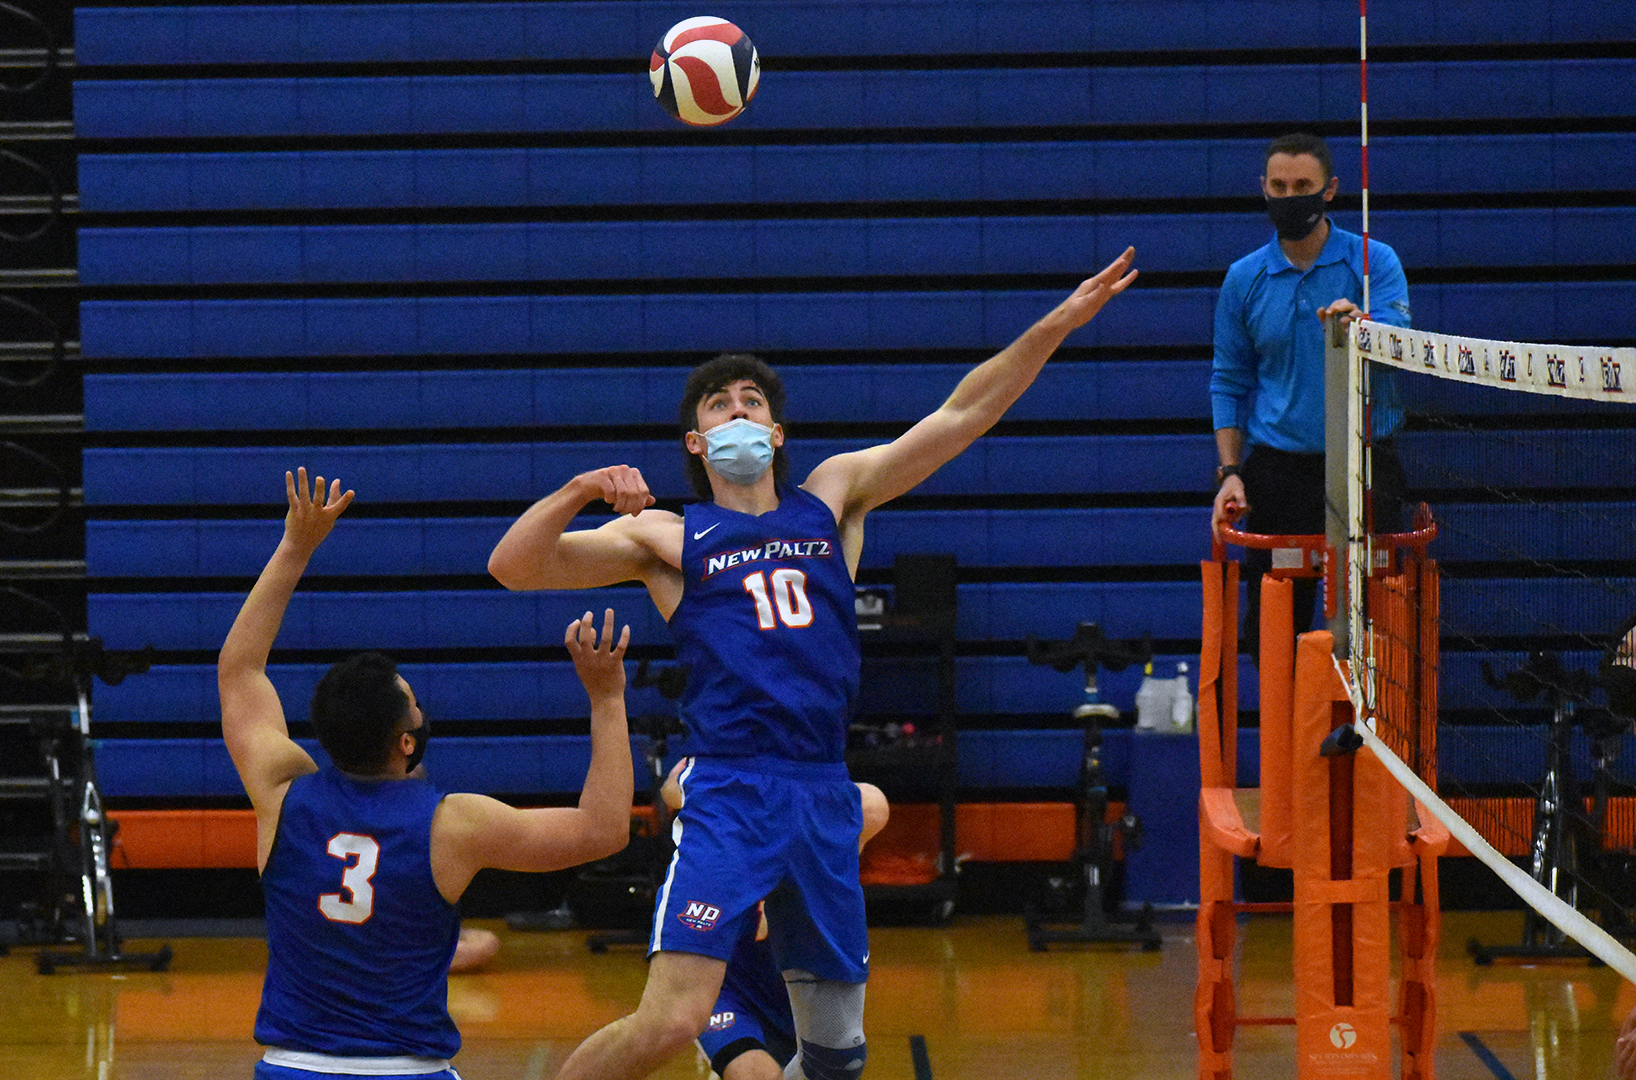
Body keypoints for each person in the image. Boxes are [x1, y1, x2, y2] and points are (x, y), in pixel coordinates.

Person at [487, 249, 1138, 1080]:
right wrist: (579, 487)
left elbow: (962, 414)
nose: (739, 411)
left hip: (823, 788)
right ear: (697, 440)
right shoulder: (667, 536)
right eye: (720, 405)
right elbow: (513, 565)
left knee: (835, 1061)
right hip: (731, 788)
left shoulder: (833, 496)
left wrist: (1058, 323)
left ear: (776, 432)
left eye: (752, 401)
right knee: (671, 1016)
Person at [219, 467, 636, 1080]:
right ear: (406, 742)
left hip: (290, 1067)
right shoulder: (453, 823)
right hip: (408, 1069)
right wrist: (606, 699)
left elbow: (240, 672)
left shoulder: (281, 793)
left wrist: (295, 546)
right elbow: (603, 831)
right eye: (413, 701)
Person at [1209, 131, 1413, 652]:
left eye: (1303, 184)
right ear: (1263, 189)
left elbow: (1402, 337)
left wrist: (1364, 326)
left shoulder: (1373, 262)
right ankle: (1293, 733)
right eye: (1279, 185)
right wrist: (1231, 473)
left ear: (1330, 190)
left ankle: (1367, 734)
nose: (1289, 195)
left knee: (1379, 636)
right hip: (1279, 474)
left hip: (1366, 465)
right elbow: (1229, 380)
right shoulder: (1243, 278)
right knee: (1276, 638)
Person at [658, 762, 890, 1080]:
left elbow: (874, 804)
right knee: (755, 1073)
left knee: (835, 1065)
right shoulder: (722, 766)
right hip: (728, 985)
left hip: (803, 985)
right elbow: (672, 787)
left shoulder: (821, 795)